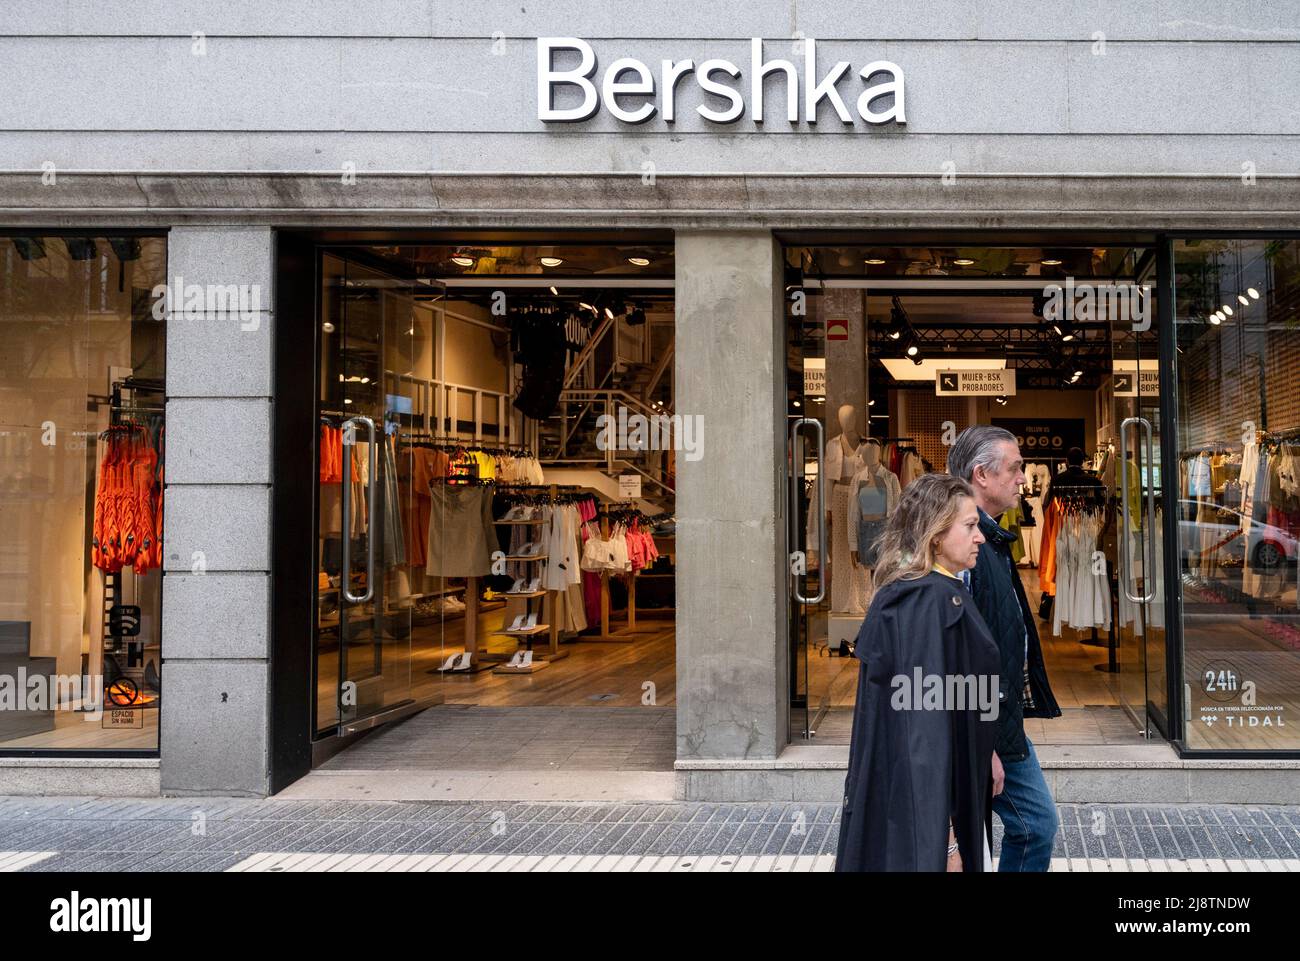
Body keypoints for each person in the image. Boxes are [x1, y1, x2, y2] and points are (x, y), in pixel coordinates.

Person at [835, 473, 1001, 872]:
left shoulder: (918, 593)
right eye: (970, 526)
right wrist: (944, 845)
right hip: (927, 820)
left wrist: (987, 751)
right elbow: (921, 738)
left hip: (920, 804)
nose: (980, 537)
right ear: (936, 535)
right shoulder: (928, 604)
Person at [947, 425, 1063, 872]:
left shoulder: (987, 537)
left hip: (997, 718)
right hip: (988, 724)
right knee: (1035, 824)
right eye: (1014, 469)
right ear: (981, 474)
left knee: (1025, 826)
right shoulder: (964, 546)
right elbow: (957, 656)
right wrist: (984, 742)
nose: (1022, 479)